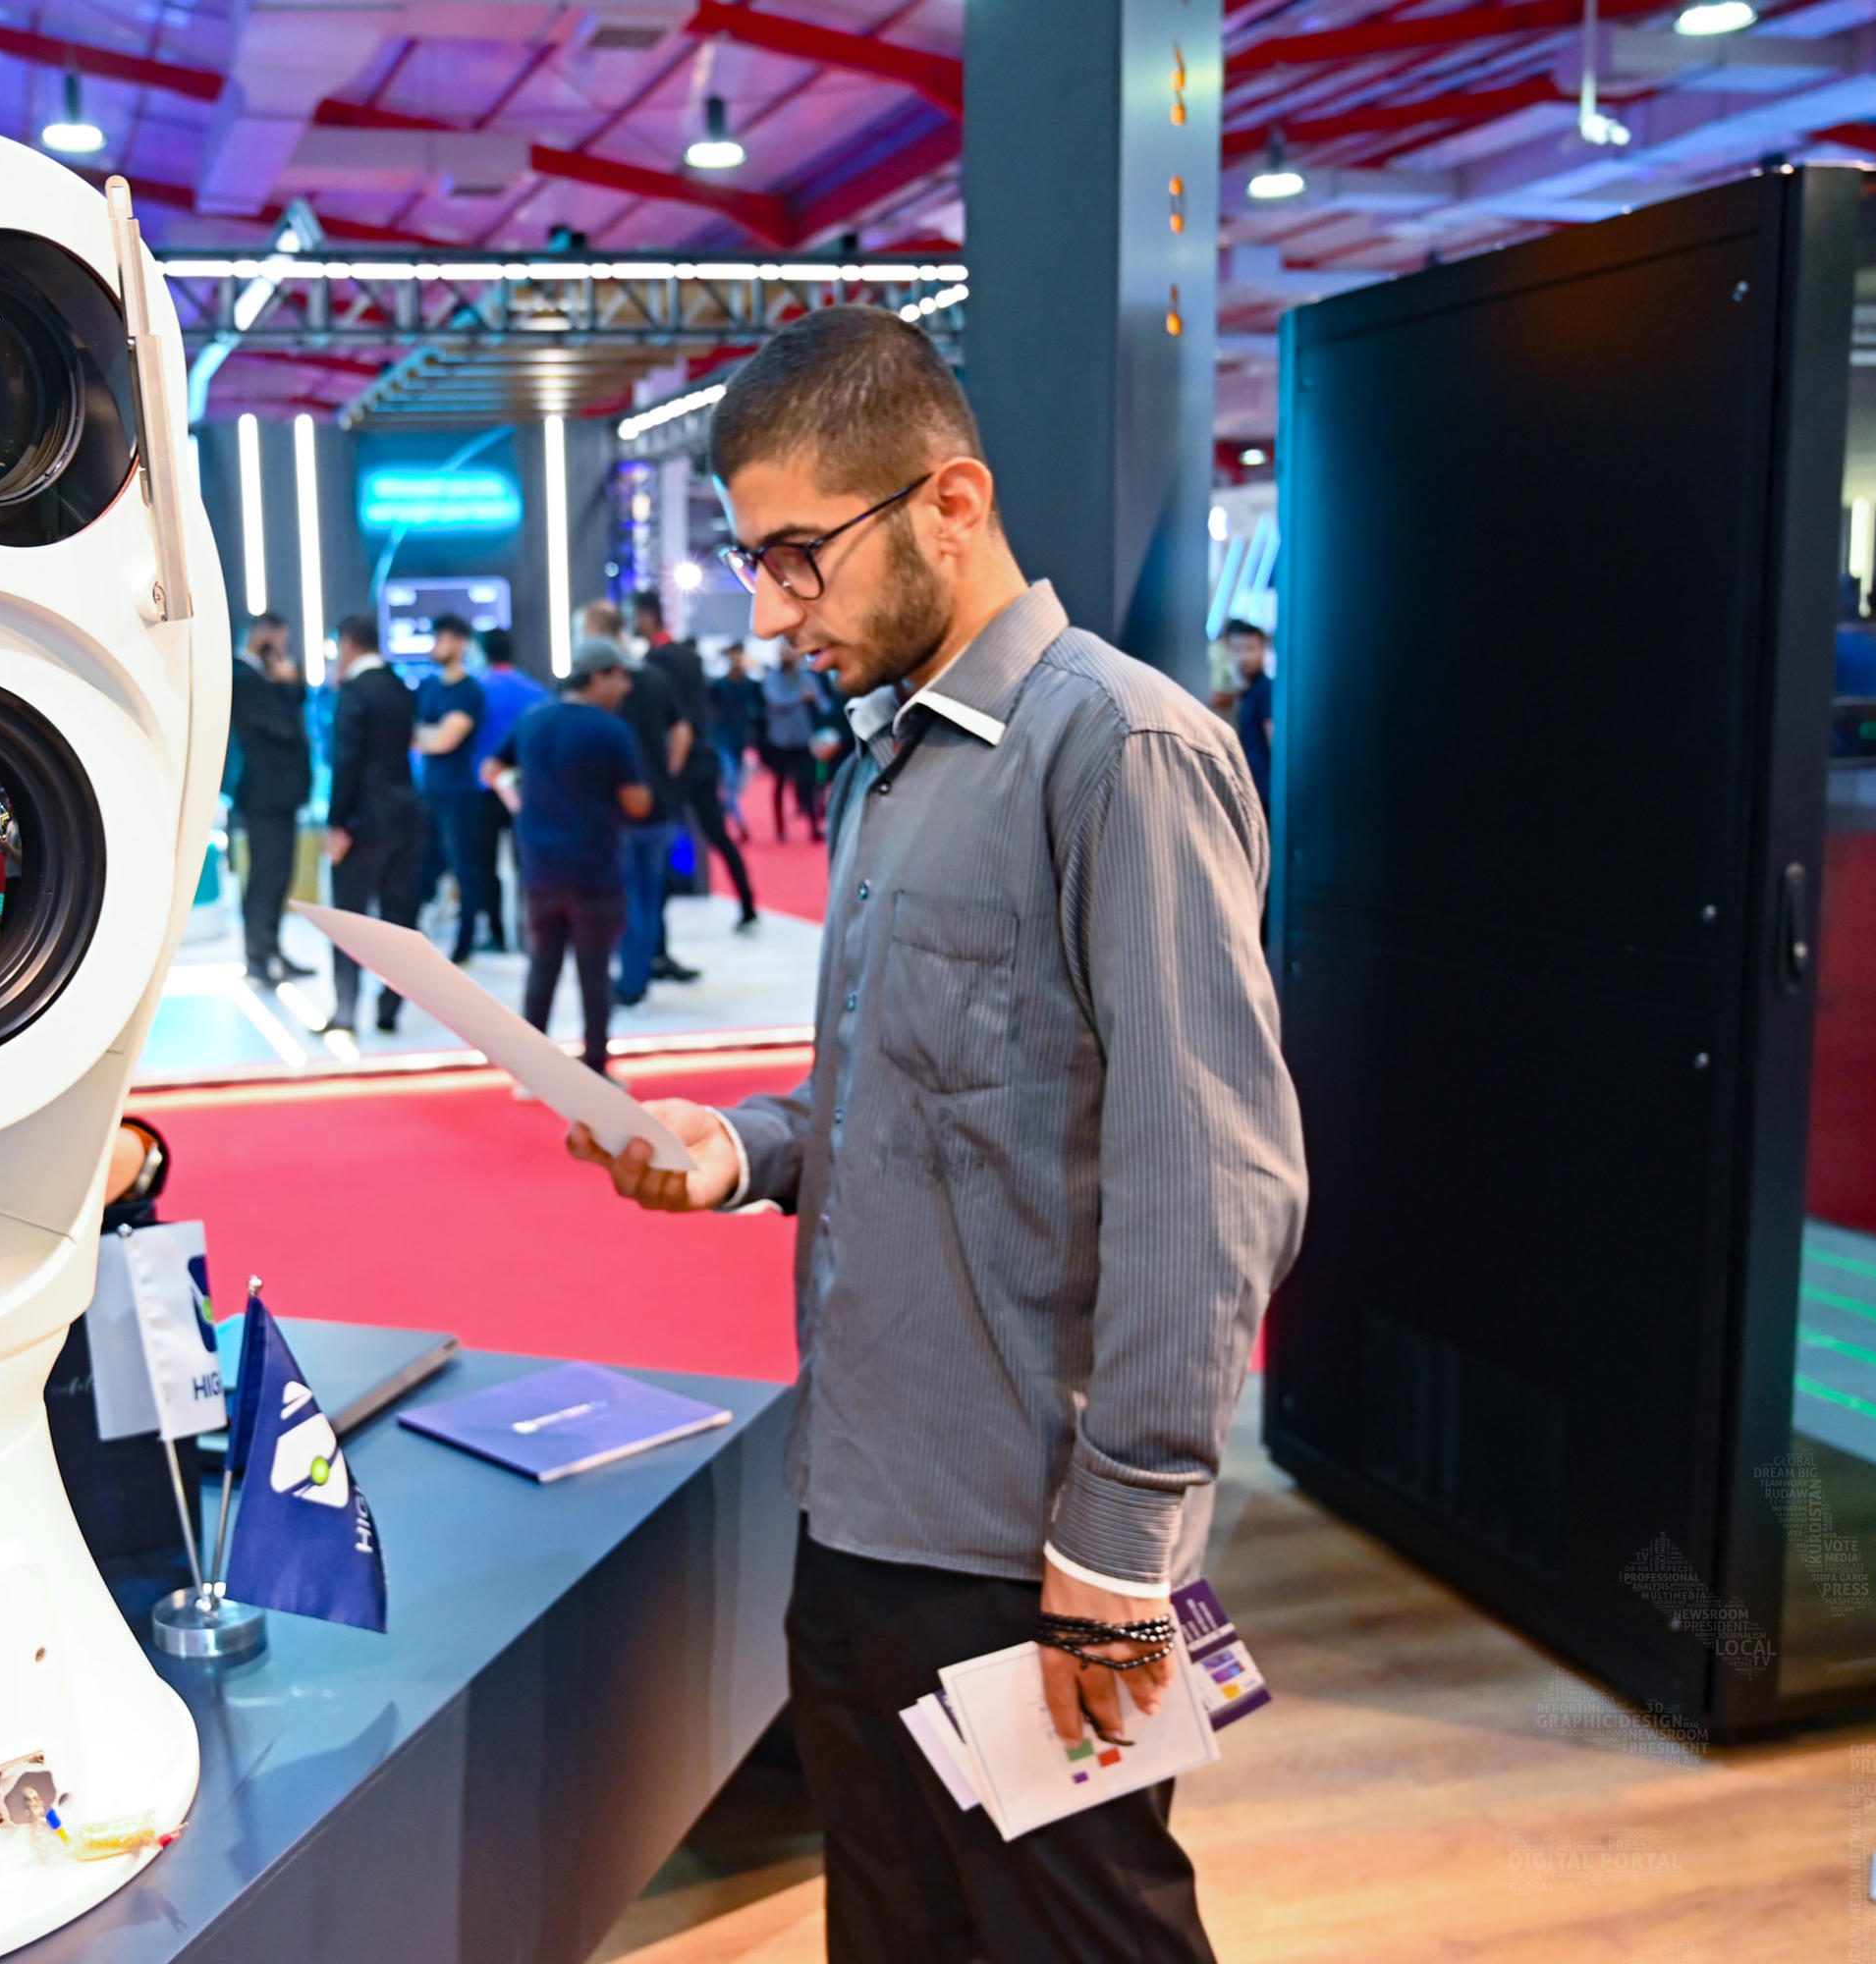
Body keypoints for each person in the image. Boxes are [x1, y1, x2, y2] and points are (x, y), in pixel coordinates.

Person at [564, 305, 1306, 1964]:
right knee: (894, 1926)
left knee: (1079, 1936)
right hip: (857, 1508)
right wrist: (739, 1149)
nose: (769, 611)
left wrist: (1116, 1552)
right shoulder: (890, 767)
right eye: (754, 564)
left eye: (798, 557)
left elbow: (1218, 1178)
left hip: (1028, 1544)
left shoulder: (1121, 753)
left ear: (950, 505)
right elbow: (900, 1103)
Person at [484, 638, 649, 1078]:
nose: (626, 686)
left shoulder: (533, 721)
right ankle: (595, 1068)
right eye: (619, 675)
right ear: (598, 677)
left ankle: (529, 1071)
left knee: (543, 966)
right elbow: (637, 803)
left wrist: (520, 802)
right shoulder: (611, 731)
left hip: (539, 868)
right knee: (594, 972)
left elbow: (491, 770)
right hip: (595, 869)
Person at [321, 612, 425, 1034]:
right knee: (400, 917)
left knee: (350, 918)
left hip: (365, 819)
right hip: (408, 813)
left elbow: (347, 761)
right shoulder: (401, 686)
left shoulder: (355, 692)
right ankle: (389, 1010)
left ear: (348, 645)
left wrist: (338, 821)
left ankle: (345, 1011)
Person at [636, 591, 760, 935]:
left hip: (682, 762)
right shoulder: (688, 658)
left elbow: (680, 727)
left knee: (661, 843)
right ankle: (748, 906)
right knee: (718, 836)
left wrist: (669, 771)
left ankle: (655, 942)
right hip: (706, 758)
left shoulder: (655, 661)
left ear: (648, 616)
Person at [231, 612, 315, 982]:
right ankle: (259, 956)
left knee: (278, 875)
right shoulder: (244, 677)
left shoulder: (254, 677)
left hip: (277, 795)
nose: (283, 650)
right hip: (263, 793)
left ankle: (271, 950)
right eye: (280, 640)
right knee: (267, 876)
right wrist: (288, 683)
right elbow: (284, 728)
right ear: (264, 637)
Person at [610, 630, 693, 1001]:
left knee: (631, 898)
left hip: (623, 810)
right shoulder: (657, 680)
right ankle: (642, 971)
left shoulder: (606, 691)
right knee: (649, 895)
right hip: (658, 803)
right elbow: (683, 731)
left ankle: (633, 981)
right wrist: (667, 772)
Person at [411, 613, 491, 963]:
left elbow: (445, 739)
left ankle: (464, 942)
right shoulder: (428, 688)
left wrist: (426, 736)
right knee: (422, 863)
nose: (436, 646)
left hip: (459, 791)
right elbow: (413, 734)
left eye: (443, 639)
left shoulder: (470, 691)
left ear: (460, 643)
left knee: (464, 865)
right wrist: (428, 736)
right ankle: (416, 931)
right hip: (428, 788)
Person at [470, 627, 548, 951]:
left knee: (484, 866)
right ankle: (530, 933)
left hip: (482, 787)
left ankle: (496, 934)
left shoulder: (474, 690)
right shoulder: (536, 691)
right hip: (525, 790)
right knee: (526, 864)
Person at [755, 652, 826, 843]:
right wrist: (801, 697)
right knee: (779, 784)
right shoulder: (772, 679)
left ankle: (813, 826)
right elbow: (776, 701)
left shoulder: (807, 678)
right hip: (780, 739)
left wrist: (813, 699)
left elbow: (823, 705)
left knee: (809, 781)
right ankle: (780, 829)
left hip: (803, 737)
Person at [709, 642, 766, 836]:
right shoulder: (718, 685)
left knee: (735, 785)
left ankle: (727, 818)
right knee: (730, 782)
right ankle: (738, 822)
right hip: (722, 739)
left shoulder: (750, 685)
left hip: (740, 740)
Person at [1225, 622, 1274, 808]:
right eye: (1237, 650)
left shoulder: (1265, 689)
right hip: (1250, 786)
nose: (1244, 657)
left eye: (1250, 649)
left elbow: (1272, 735)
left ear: (1263, 649)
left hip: (1264, 789)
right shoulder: (1245, 692)